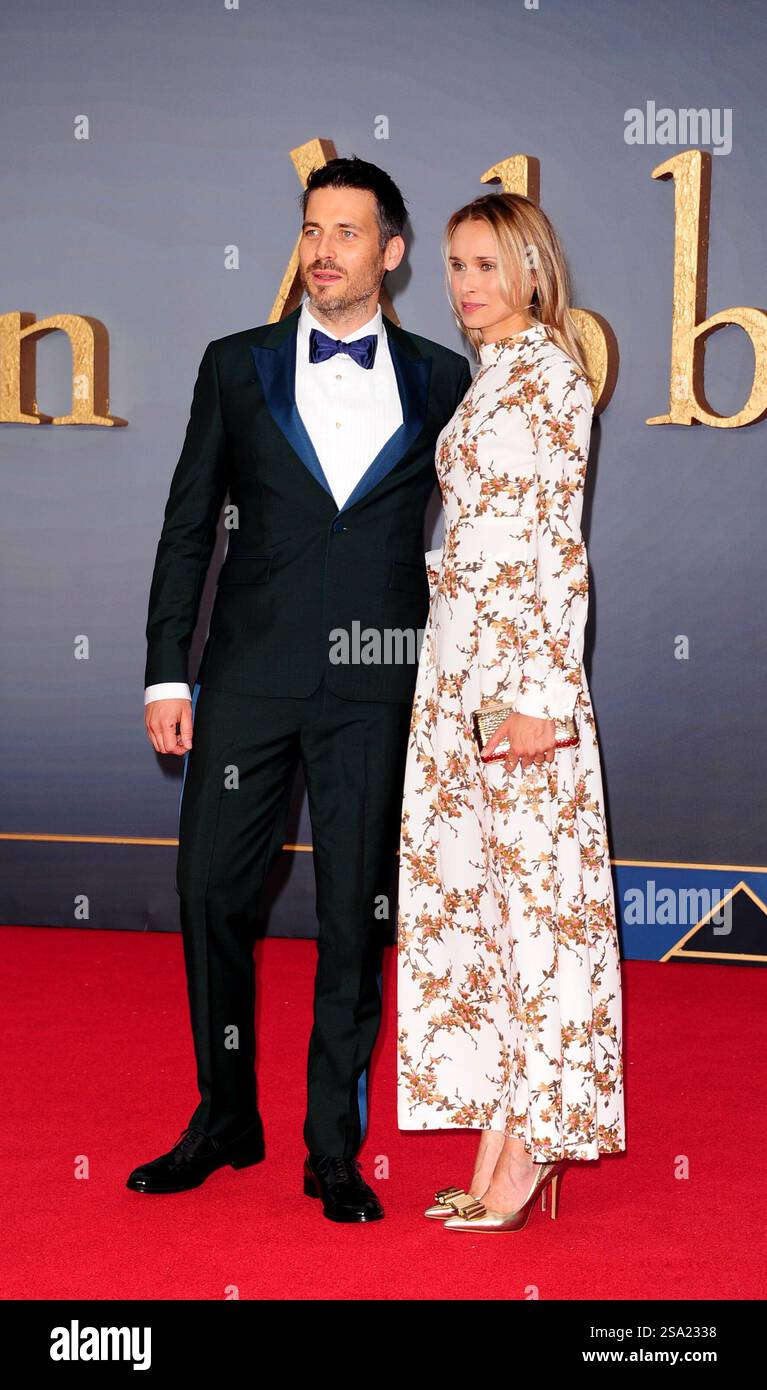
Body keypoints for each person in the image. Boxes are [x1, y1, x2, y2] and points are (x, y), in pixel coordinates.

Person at [127, 157, 471, 1223]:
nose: (322, 251)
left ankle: (333, 1148)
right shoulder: (235, 365)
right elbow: (190, 525)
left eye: (347, 233)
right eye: (310, 230)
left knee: (351, 918)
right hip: (247, 680)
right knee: (207, 895)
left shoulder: (443, 380)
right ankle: (226, 1113)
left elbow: (481, 546)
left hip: (378, 682)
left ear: (391, 253)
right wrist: (164, 668)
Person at [396, 192, 625, 1232]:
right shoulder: (494, 380)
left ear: (532, 269)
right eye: (453, 265)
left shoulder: (547, 377)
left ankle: (528, 1152)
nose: (466, 284)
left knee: (536, 919)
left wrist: (534, 700)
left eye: (486, 263)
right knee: (487, 917)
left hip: (514, 691)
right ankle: (501, 1130)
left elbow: (555, 550)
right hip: (458, 677)